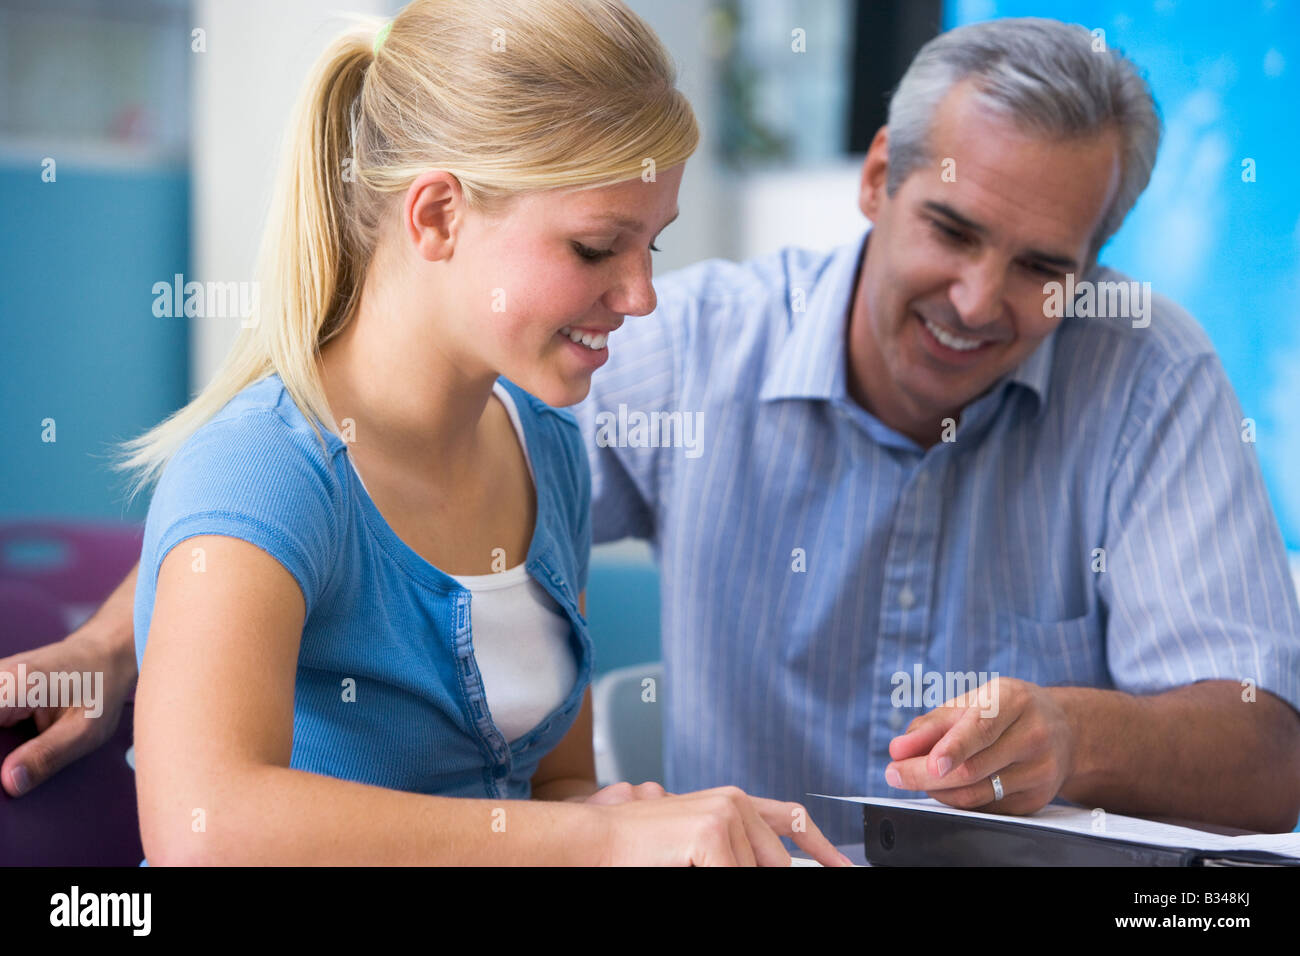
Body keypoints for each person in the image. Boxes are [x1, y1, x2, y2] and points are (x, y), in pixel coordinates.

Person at [7, 17, 1300, 848]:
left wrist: (1072, 737)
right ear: (875, 185)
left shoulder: (547, 440)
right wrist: (133, 641)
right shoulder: (667, 358)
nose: (979, 301)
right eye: (953, 233)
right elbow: (277, 513)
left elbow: (1269, 756)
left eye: (1042, 269)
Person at [0, 0, 846, 866]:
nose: (641, 297)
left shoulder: (546, 446)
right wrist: (597, 836)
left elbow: (550, 792)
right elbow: (202, 827)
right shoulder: (265, 464)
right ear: (437, 215)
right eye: (597, 249)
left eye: (652, 250)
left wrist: (649, 830)